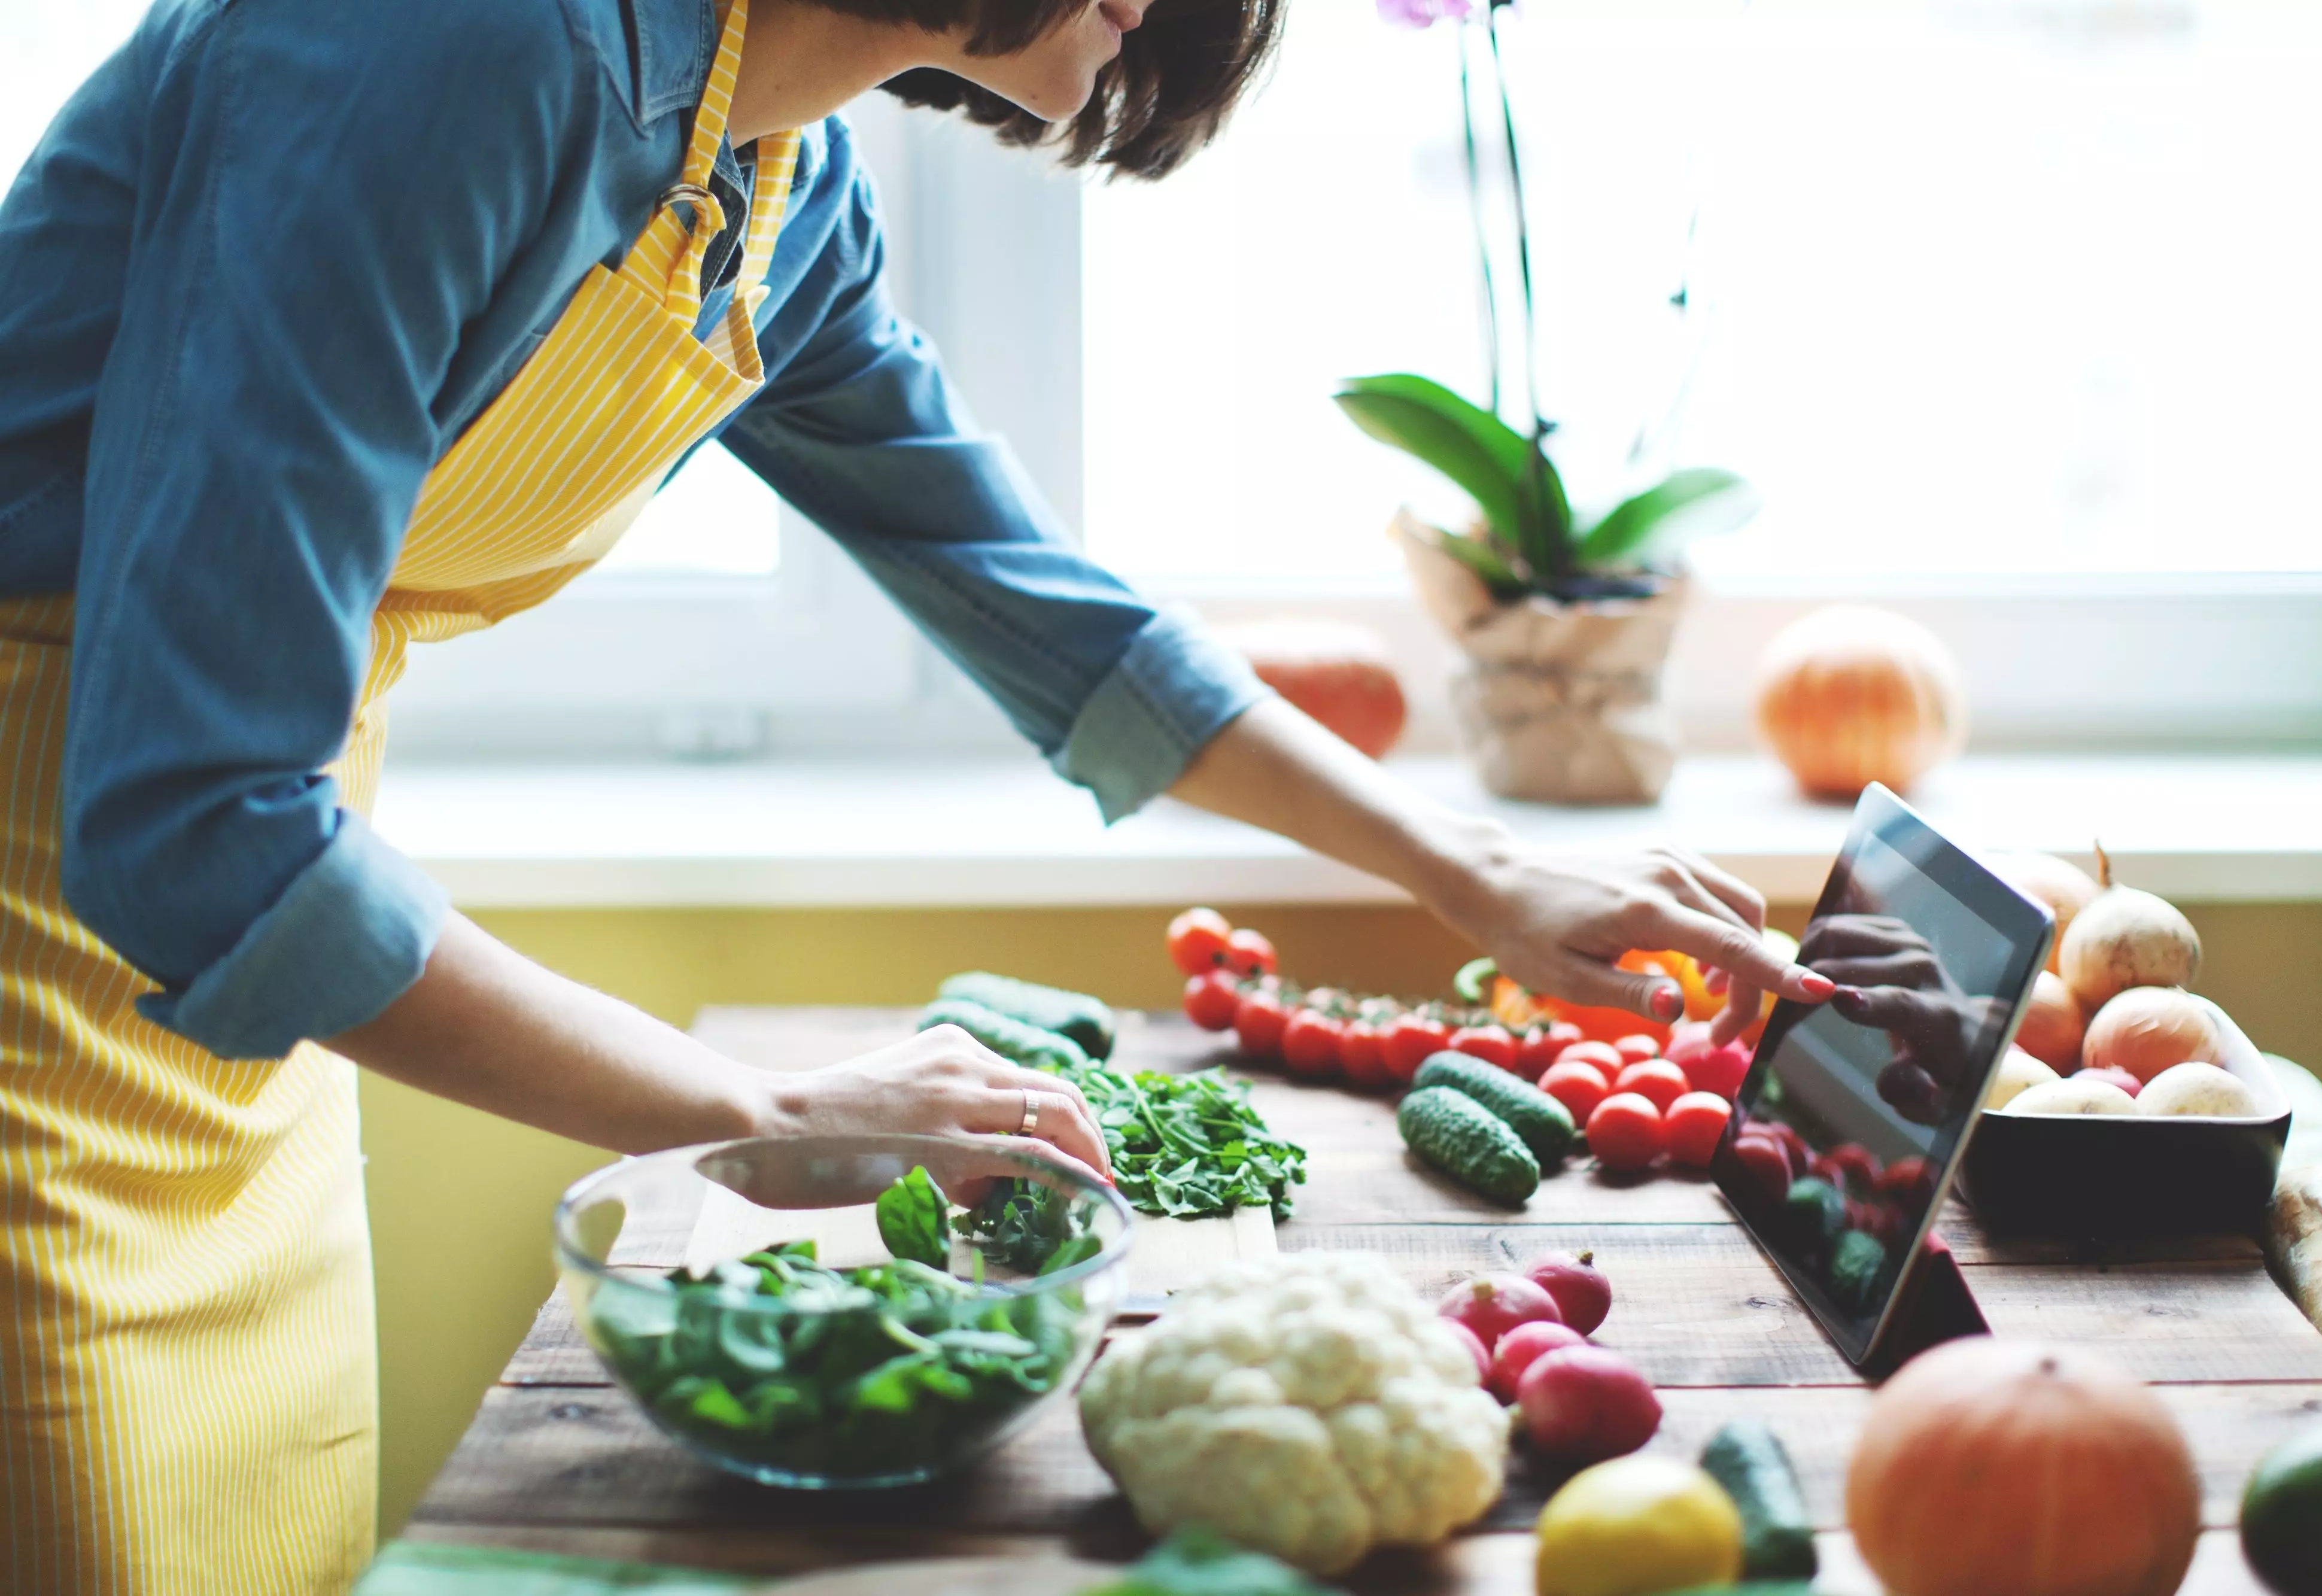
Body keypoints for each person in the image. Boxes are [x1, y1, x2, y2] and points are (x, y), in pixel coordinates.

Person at [0, 0, 1828, 1588]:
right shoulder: (451, 40)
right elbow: (191, 815)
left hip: (239, 999)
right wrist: (769, 1106)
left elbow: (1038, 607)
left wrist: (1477, 868)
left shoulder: (771, 181)